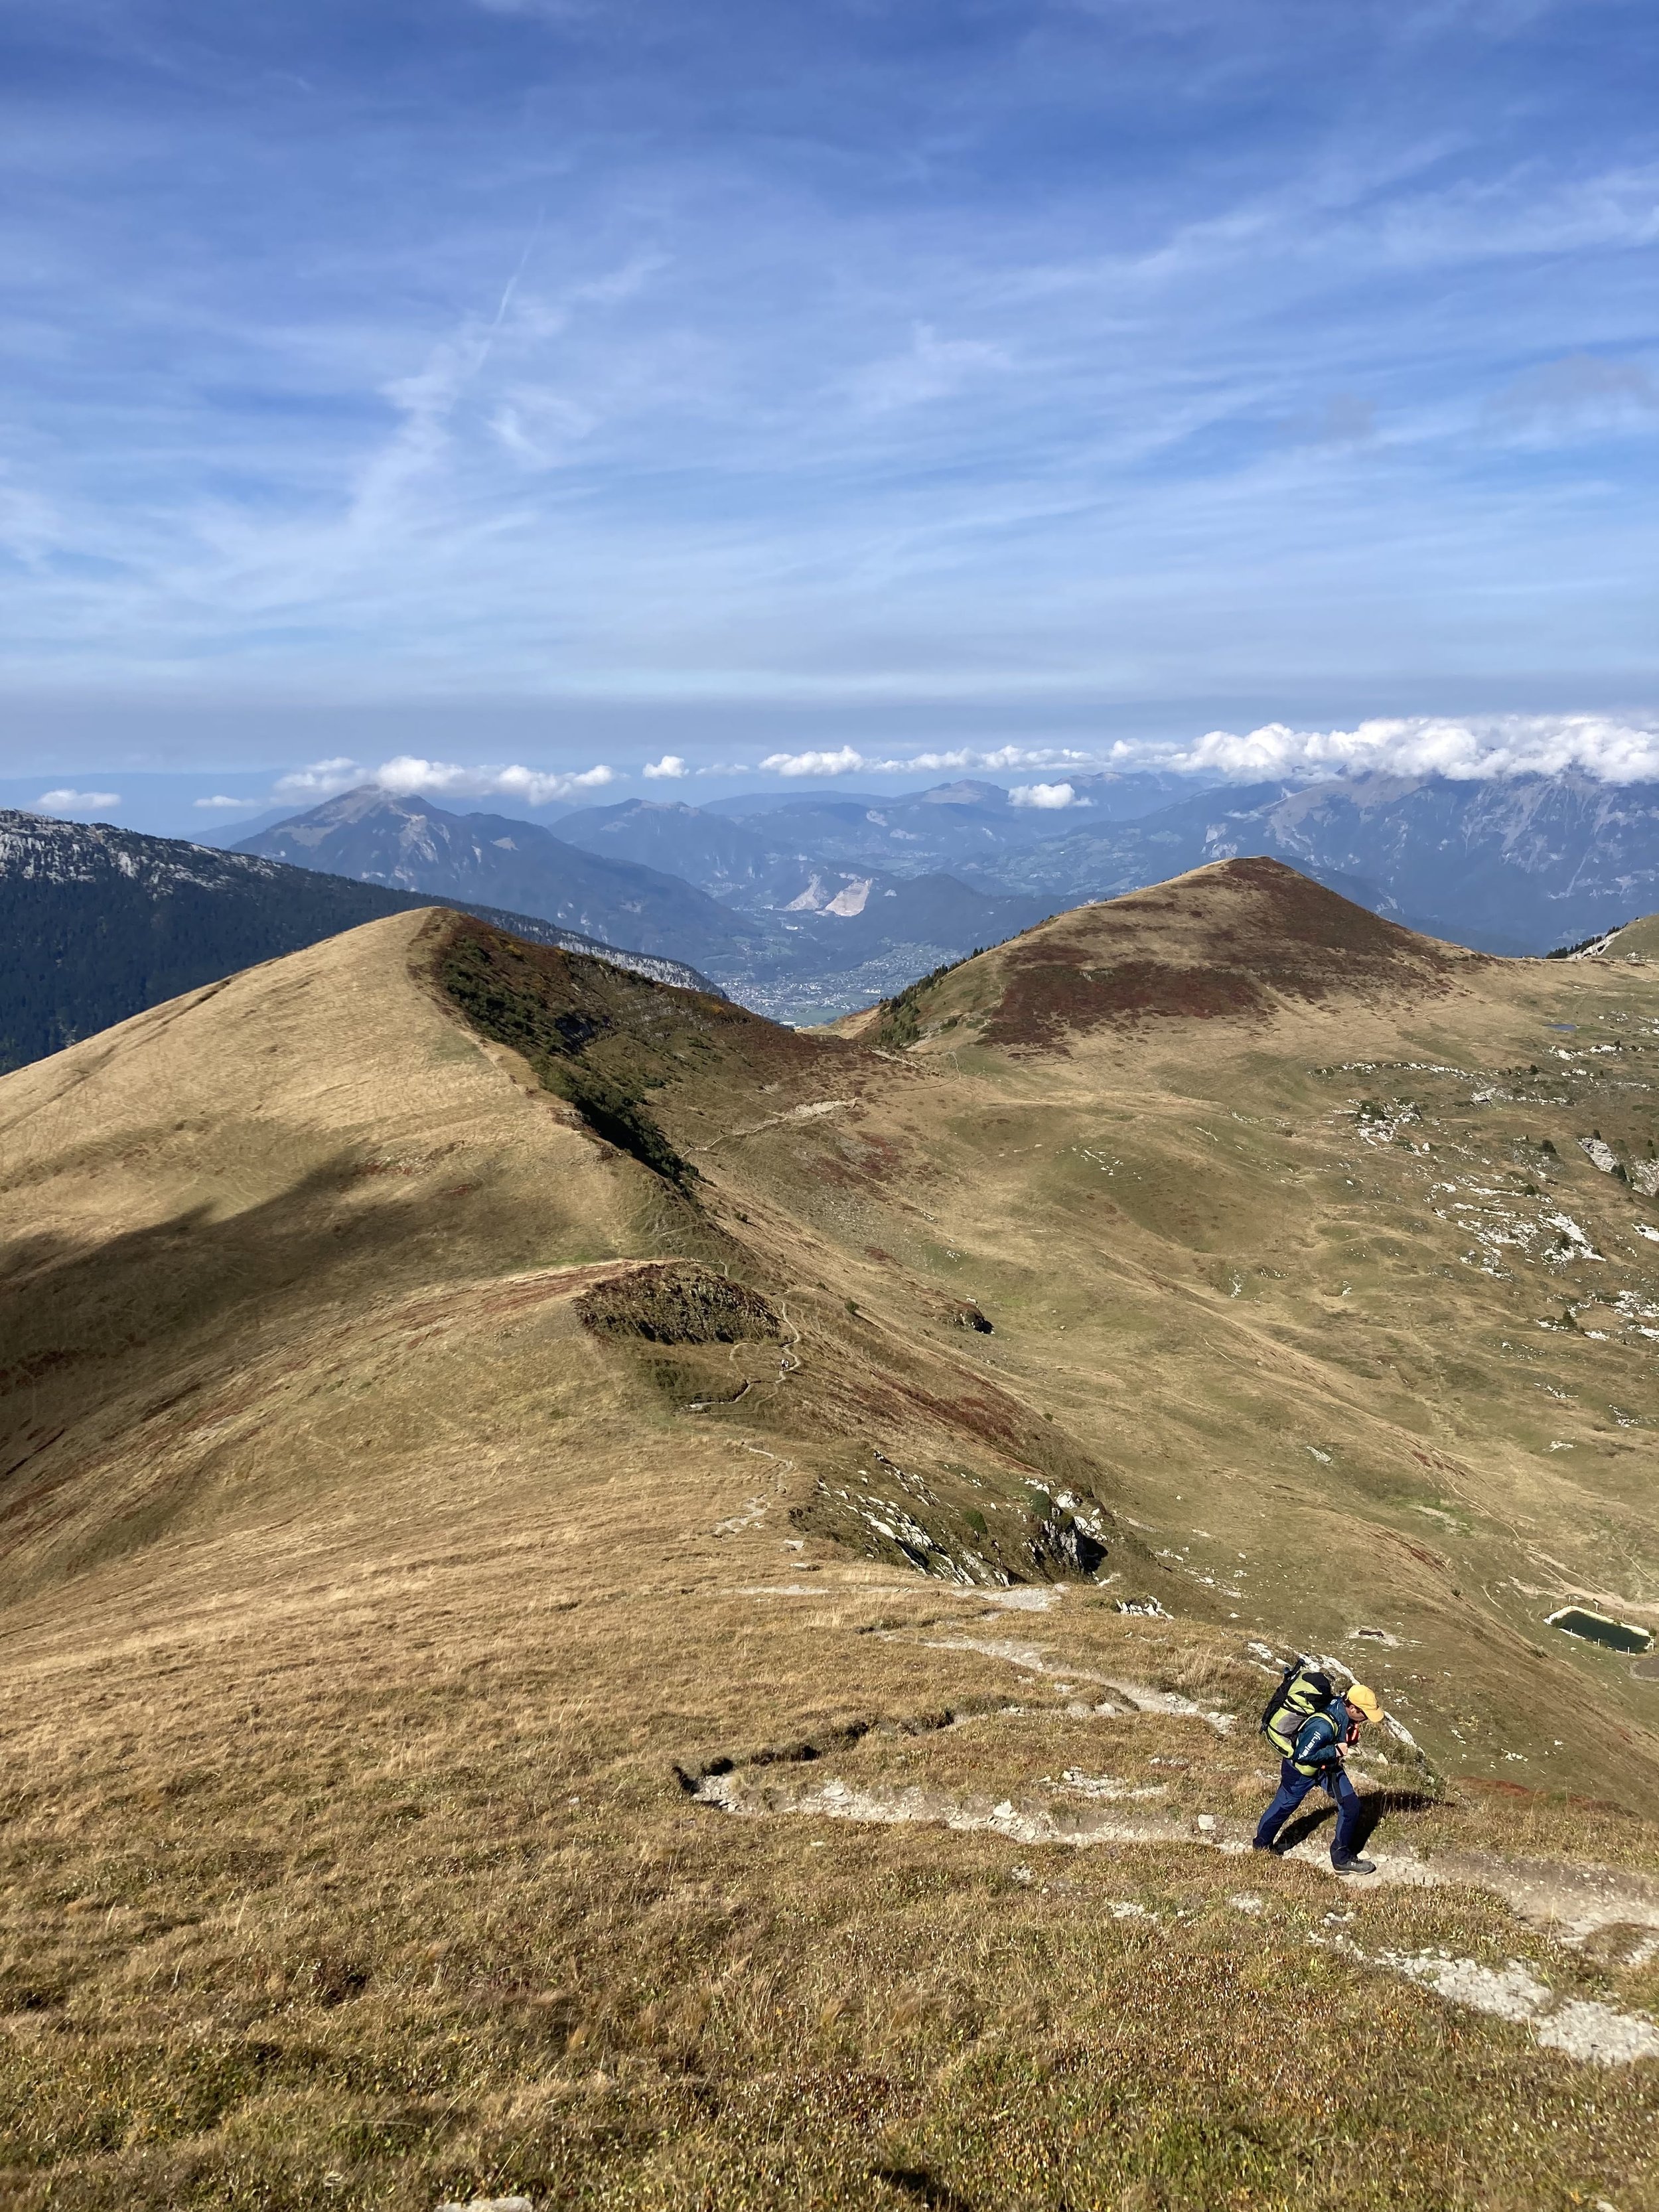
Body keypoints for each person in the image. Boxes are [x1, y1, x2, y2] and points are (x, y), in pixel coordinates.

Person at [1253, 1682, 1384, 1874]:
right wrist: (1335, 1750)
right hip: (1300, 1773)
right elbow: (1302, 1755)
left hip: (1327, 1768)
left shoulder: (1342, 1710)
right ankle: (1261, 1846)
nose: (1366, 1719)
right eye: (1365, 1714)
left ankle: (1341, 1858)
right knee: (1283, 1807)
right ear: (1353, 1708)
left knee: (1351, 1805)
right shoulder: (1322, 1726)